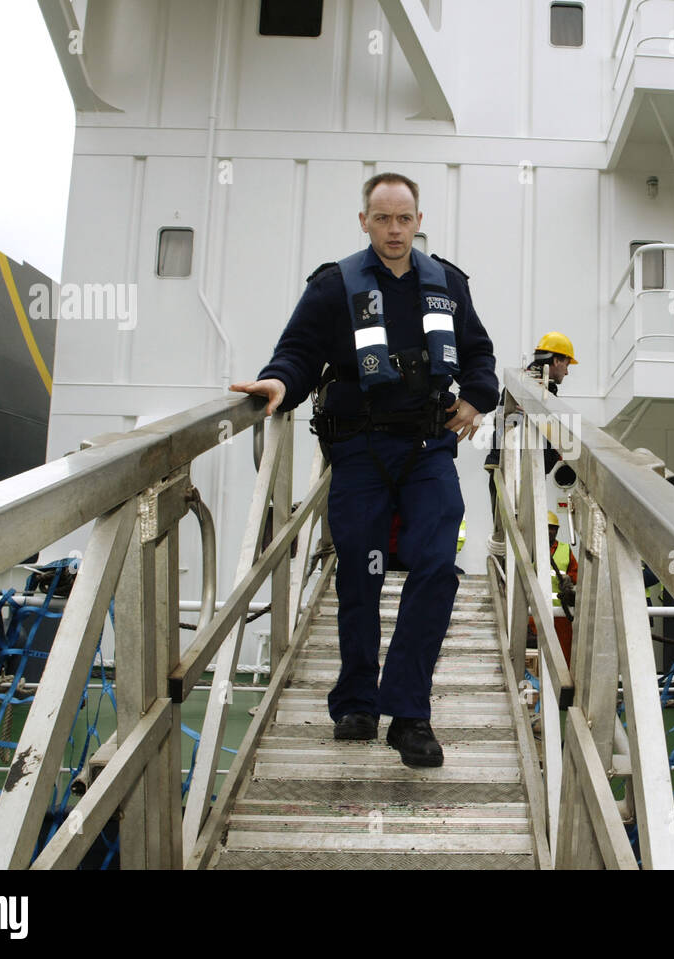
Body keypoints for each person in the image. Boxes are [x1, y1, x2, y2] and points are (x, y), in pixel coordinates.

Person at [230, 173, 498, 767]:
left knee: (435, 566)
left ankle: (409, 714)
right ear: (364, 221)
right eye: (382, 218)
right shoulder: (335, 286)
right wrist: (277, 383)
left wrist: (478, 397)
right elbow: (298, 352)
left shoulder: (447, 284)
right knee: (360, 571)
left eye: (404, 219)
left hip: (429, 449)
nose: (394, 230)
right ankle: (355, 700)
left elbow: (479, 355)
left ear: (418, 220)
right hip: (359, 450)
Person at [483, 332, 578, 531]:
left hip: (525, 471)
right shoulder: (526, 386)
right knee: (515, 534)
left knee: (520, 536)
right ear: (556, 360)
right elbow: (506, 423)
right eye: (566, 365)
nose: (567, 372)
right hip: (516, 472)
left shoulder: (537, 388)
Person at [526, 511, 578, 665]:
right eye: (547, 527)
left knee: (564, 653)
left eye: (553, 528)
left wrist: (570, 579)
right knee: (537, 653)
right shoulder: (530, 549)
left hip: (561, 613)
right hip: (536, 612)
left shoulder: (565, 549)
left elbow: (576, 573)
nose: (550, 531)